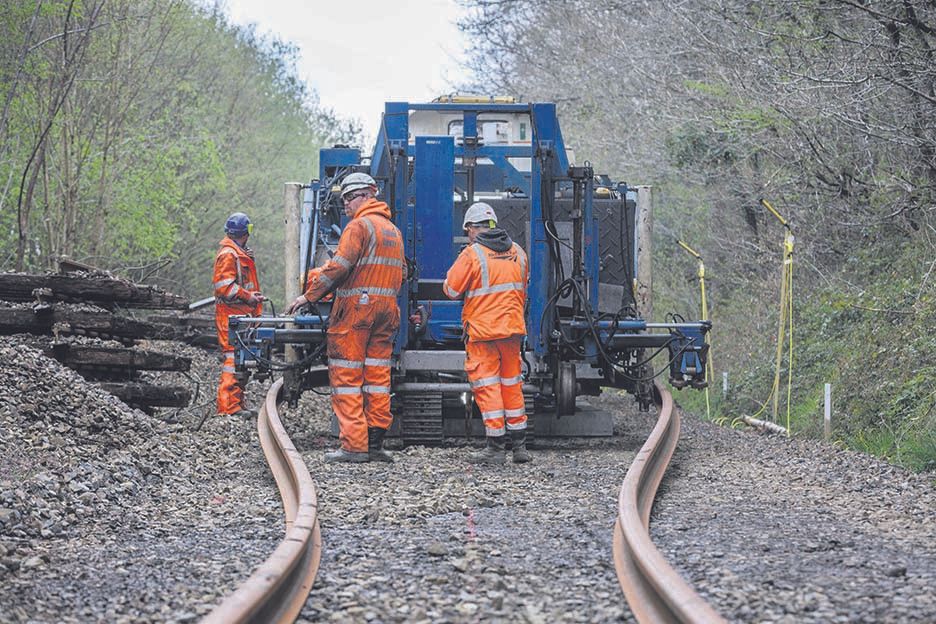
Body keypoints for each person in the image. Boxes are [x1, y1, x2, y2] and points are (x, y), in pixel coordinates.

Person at [286, 172, 404, 463]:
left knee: (347, 377)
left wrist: (308, 296)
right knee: (377, 378)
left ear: (365, 195)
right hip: (387, 311)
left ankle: (354, 446)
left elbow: (339, 267)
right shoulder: (392, 231)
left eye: (349, 198)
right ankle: (375, 443)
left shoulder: (359, 227)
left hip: (357, 311)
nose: (346, 205)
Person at [443, 202, 532, 464]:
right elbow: (522, 291)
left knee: (488, 386)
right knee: (511, 385)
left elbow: (450, 290)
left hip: (484, 332)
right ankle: (519, 447)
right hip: (512, 330)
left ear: (472, 229)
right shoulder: (519, 252)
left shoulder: (472, 254)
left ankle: (495, 448)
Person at [213, 212, 265, 418]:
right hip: (232, 318)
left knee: (240, 361)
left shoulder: (238, 253)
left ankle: (236, 404)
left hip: (241, 317)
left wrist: (252, 297)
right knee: (232, 362)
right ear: (245, 232)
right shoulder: (228, 255)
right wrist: (248, 297)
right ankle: (227, 409)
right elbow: (224, 287)